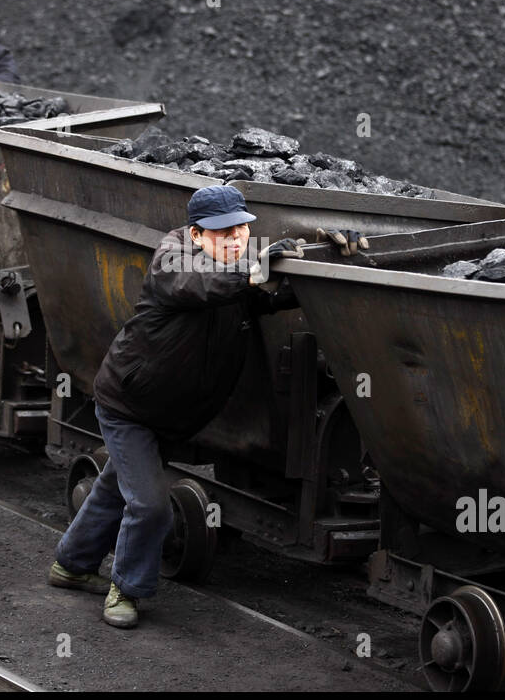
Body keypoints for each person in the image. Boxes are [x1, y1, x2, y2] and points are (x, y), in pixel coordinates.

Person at [47, 185, 367, 628]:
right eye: (223, 232)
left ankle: (70, 565)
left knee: (114, 486)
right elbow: (202, 283)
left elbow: (272, 294)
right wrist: (258, 266)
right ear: (197, 235)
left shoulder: (236, 265)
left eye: (241, 228)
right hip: (130, 406)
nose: (235, 237)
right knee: (151, 505)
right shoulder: (173, 260)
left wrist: (329, 260)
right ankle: (128, 589)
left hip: (173, 411)